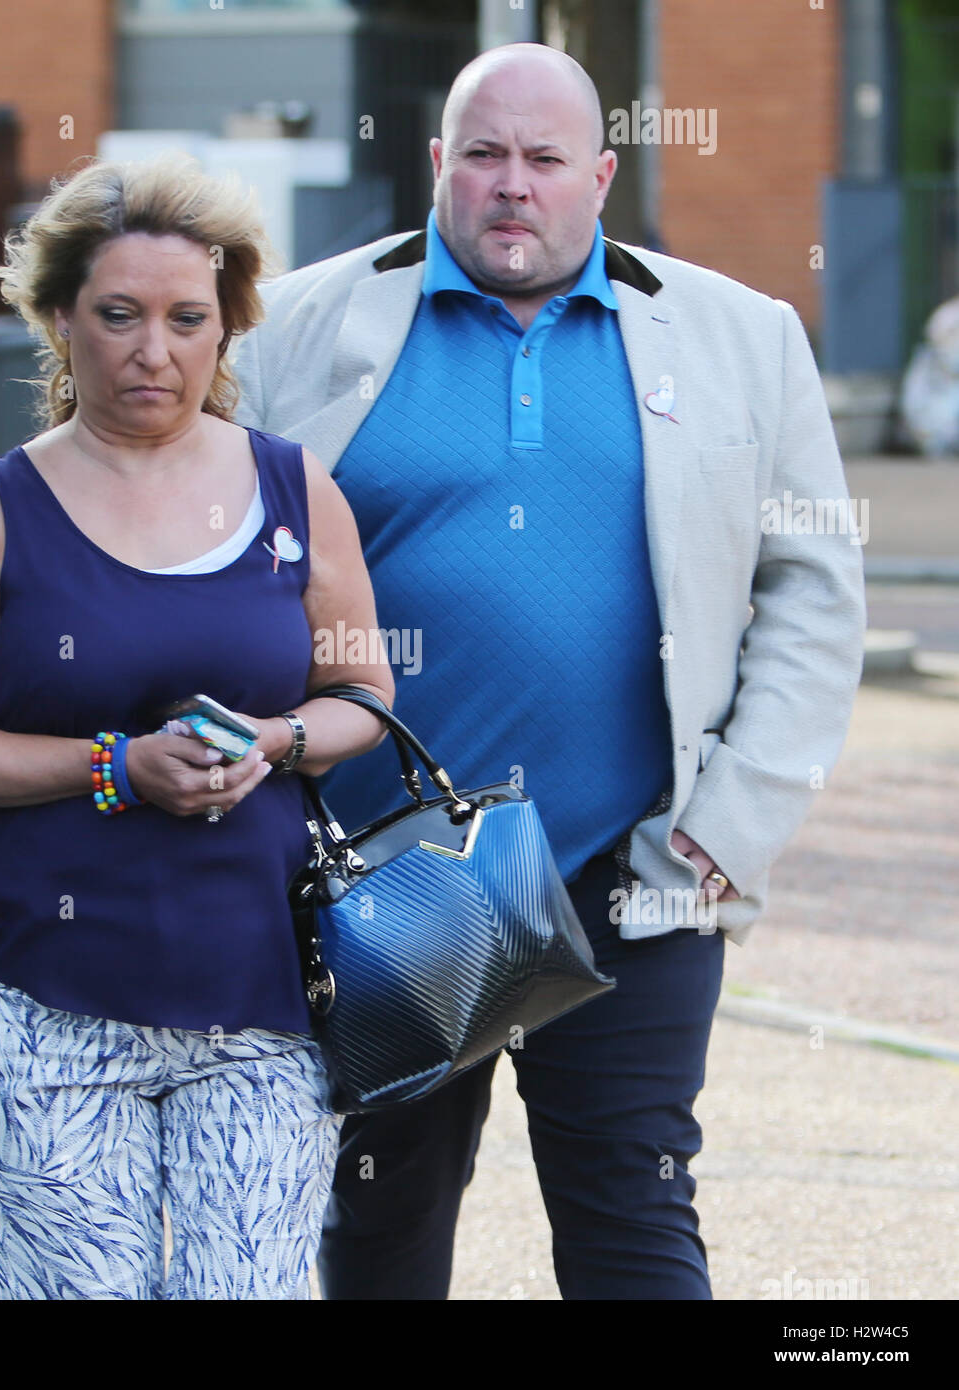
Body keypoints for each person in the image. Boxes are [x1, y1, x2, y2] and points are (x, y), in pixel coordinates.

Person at [231, 43, 866, 1299]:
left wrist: (728, 824)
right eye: (481, 156)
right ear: (435, 167)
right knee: (381, 1212)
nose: (510, 185)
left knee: (632, 1205)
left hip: (635, 867)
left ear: (599, 174)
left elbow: (812, 593)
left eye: (541, 159)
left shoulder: (740, 336)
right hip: (391, 877)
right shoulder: (296, 328)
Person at [0, 154, 394, 1300]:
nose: (152, 350)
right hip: (45, 1003)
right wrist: (116, 766)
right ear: (60, 319)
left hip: (262, 1002)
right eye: (117, 315)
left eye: (187, 318)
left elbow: (363, 694)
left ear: (229, 329)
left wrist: (274, 741)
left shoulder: (292, 489)